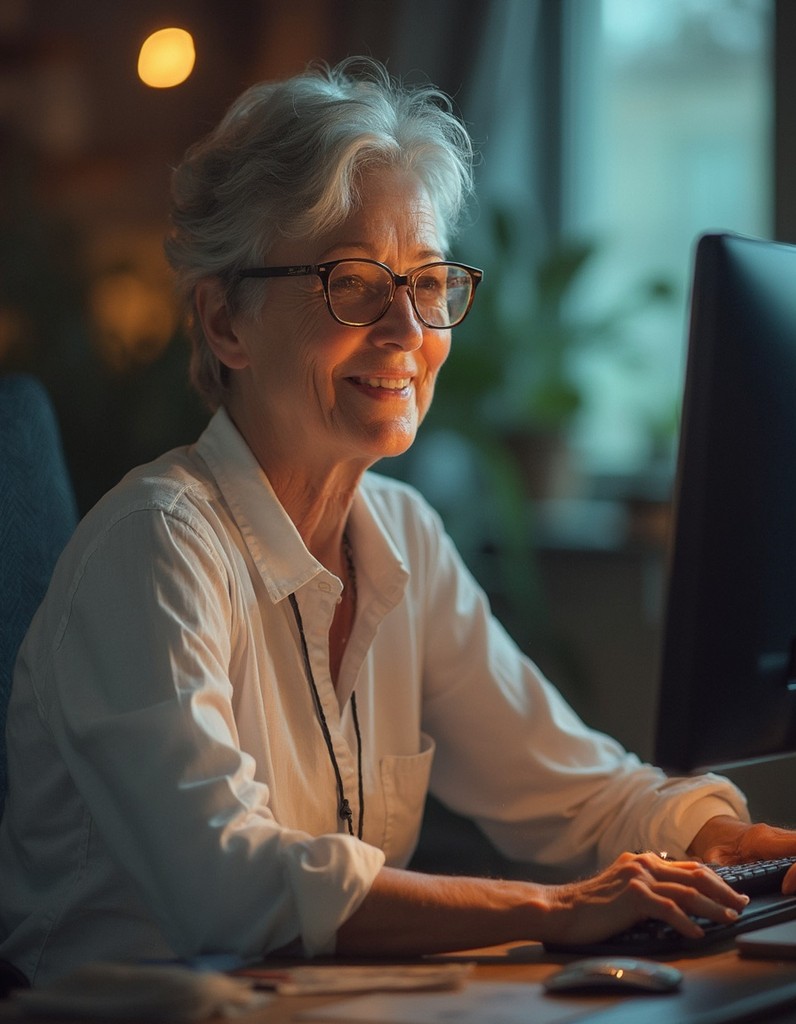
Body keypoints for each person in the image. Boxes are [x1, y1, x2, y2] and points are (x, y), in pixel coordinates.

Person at [1, 56, 795, 988]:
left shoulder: (401, 533)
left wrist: (742, 843)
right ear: (226, 324)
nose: (408, 330)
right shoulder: (156, 544)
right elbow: (230, 887)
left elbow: (576, 791)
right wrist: (556, 909)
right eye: (353, 283)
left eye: (427, 282)